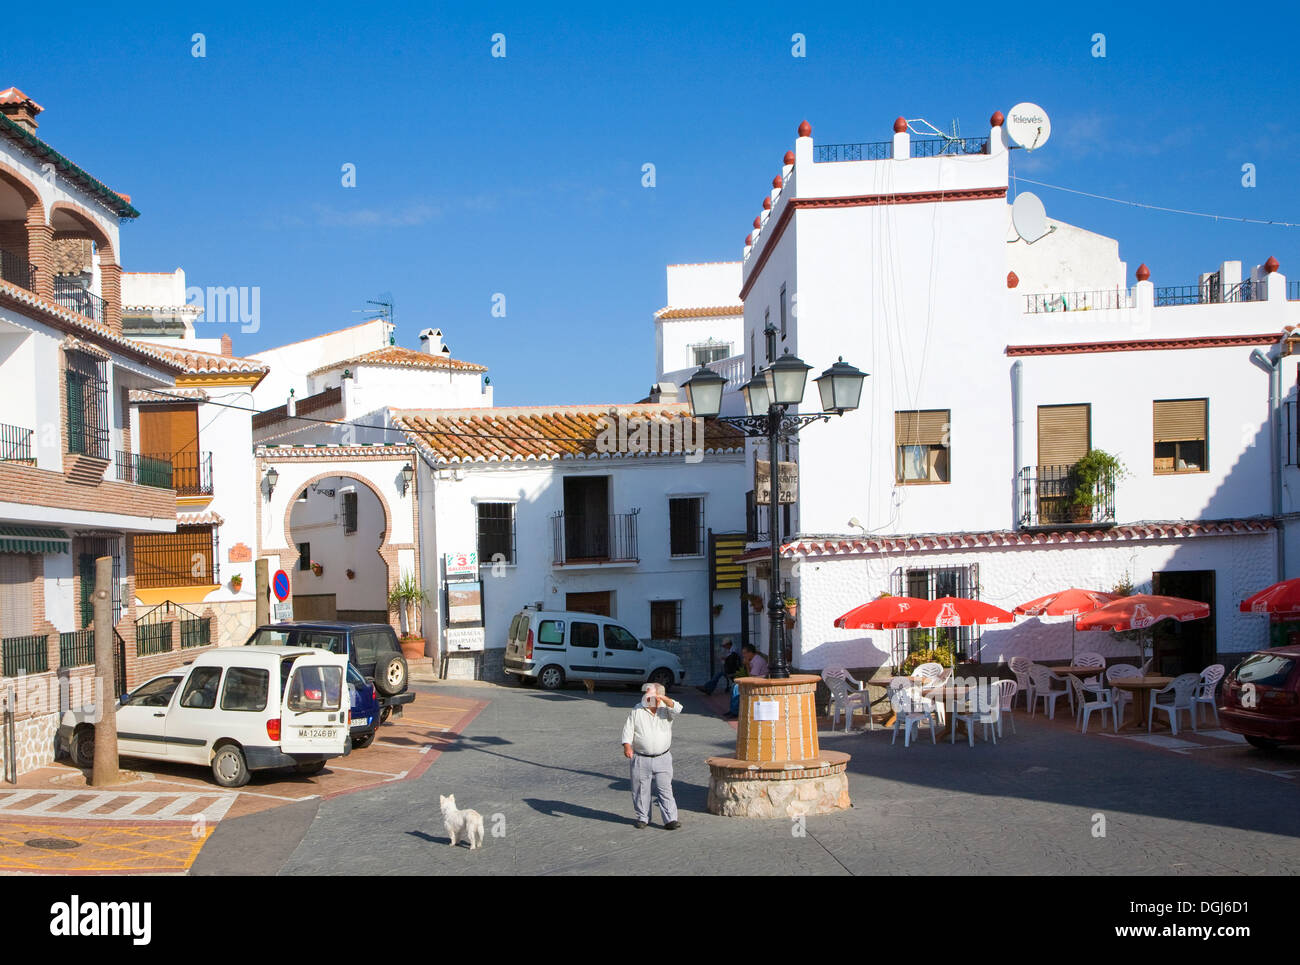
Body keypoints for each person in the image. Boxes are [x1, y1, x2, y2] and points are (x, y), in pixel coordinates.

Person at [620, 682, 683, 829]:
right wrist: (627, 746)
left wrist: (661, 698)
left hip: (663, 757)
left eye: (650, 695)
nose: (646, 698)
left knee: (665, 788)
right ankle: (643, 818)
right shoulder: (637, 709)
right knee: (640, 789)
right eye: (646, 694)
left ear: (659, 697)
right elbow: (628, 730)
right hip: (641, 757)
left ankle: (670, 819)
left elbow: (678, 708)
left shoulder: (666, 710)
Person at [726, 644, 770, 717]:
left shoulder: (757, 661)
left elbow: (751, 677)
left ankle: (734, 712)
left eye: (745, 653)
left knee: (737, 687)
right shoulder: (753, 660)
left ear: (750, 653)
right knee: (734, 686)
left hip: (760, 681)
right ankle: (732, 710)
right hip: (756, 680)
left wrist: (747, 665)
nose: (743, 655)